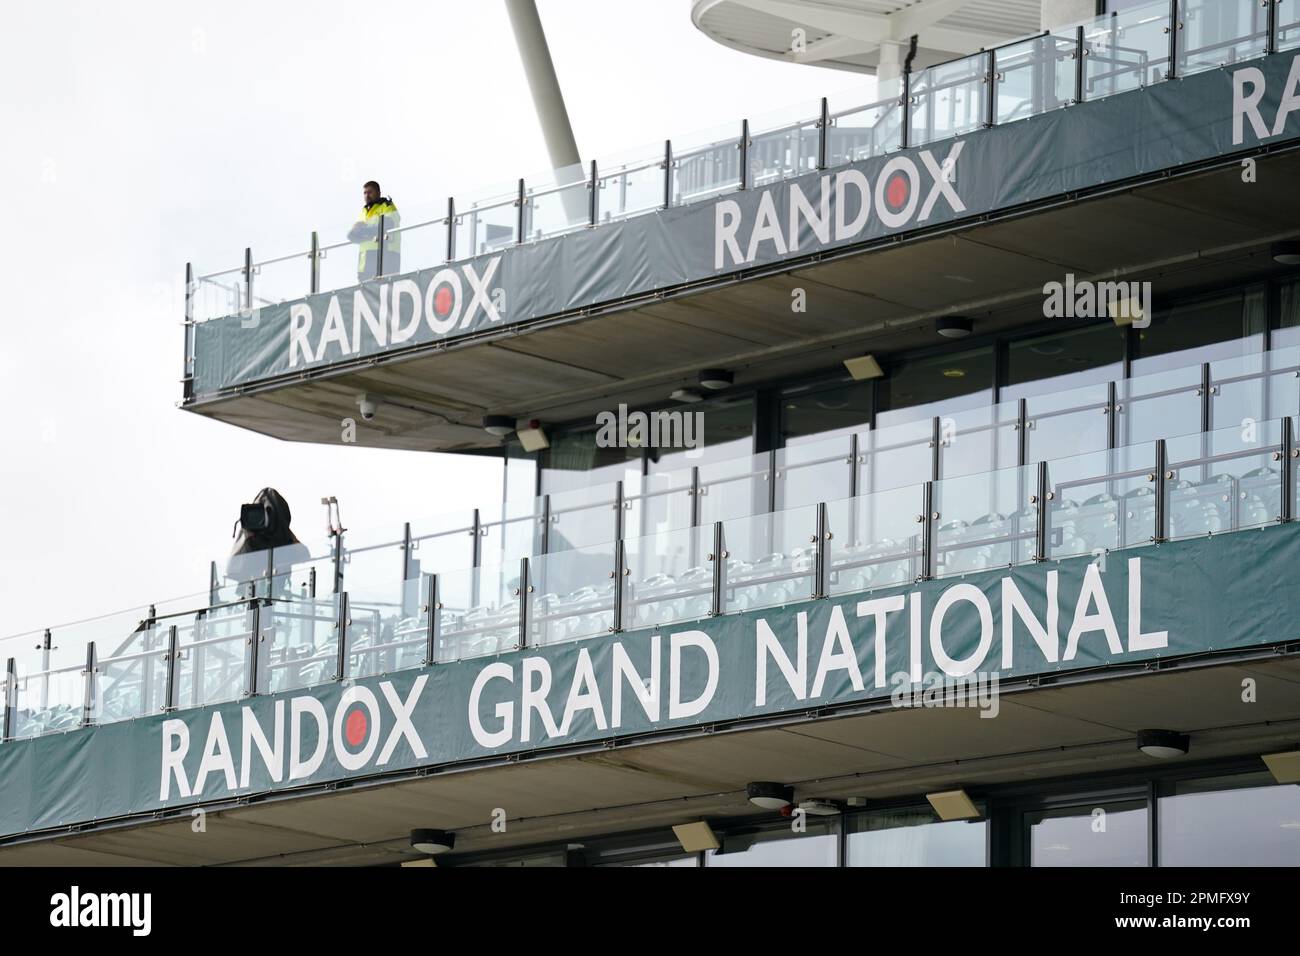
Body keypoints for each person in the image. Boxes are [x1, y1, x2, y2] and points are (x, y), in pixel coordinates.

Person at [226, 488, 311, 599]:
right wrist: (248, 535)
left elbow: (304, 554)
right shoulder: (251, 533)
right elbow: (233, 567)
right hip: (253, 592)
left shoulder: (282, 534)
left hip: (272, 592)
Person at [346, 181, 401, 282]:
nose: (367, 195)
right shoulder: (364, 211)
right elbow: (351, 236)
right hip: (364, 263)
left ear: (379, 193)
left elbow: (387, 224)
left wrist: (363, 230)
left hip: (385, 258)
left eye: (370, 192)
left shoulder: (387, 206)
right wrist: (365, 230)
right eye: (365, 193)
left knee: (385, 293)